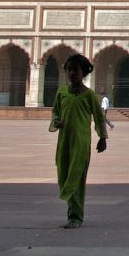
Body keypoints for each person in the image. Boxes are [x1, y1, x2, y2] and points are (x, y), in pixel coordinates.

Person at [50, 53, 107, 229]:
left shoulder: (89, 95)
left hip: (81, 142)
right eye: (69, 70)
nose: (72, 74)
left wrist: (102, 137)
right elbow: (55, 113)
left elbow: (98, 118)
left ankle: (75, 216)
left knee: (77, 177)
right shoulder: (61, 93)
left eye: (76, 70)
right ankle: (72, 212)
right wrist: (56, 121)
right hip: (64, 140)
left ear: (84, 73)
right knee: (64, 175)